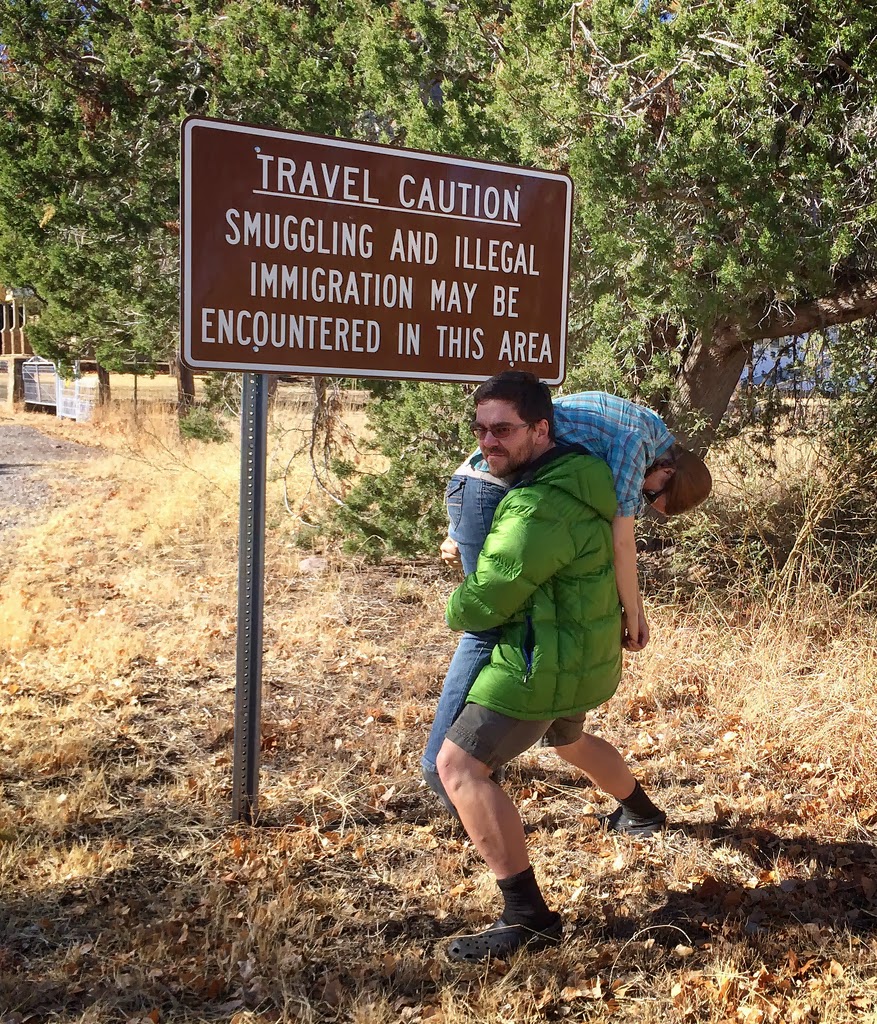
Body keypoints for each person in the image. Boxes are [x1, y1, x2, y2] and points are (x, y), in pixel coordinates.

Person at [435, 372, 666, 962]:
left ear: (541, 429)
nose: (490, 443)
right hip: (580, 659)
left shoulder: (537, 504)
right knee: (569, 739)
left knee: (457, 767)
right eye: (482, 430)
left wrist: (454, 598)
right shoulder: (590, 474)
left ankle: (527, 917)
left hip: (540, 665)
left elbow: (487, 597)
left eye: (504, 430)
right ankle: (642, 810)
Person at [421, 388, 711, 821]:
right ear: (666, 468)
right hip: (490, 486)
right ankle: (451, 776)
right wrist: (635, 615)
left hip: (495, 488)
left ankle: (639, 814)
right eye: (652, 497)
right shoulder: (636, 446)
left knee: (565, 732)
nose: (642, 502)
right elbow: (621, 541)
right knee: (489, 623)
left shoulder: (637, 436)